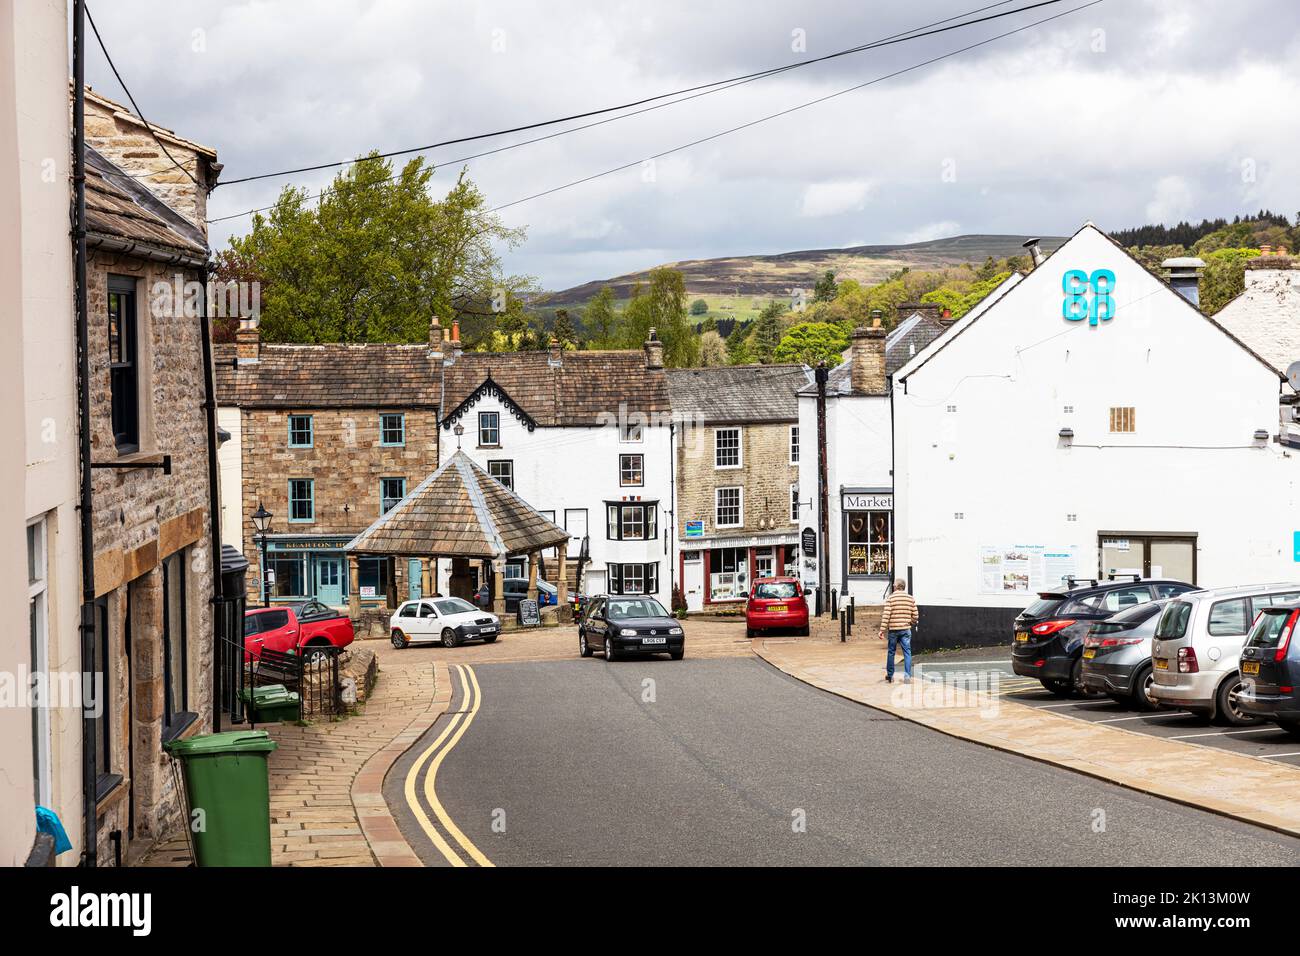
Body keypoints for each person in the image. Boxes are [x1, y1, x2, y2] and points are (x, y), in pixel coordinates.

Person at [878, 579, 919, 683]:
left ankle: (890, 675)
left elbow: (886, 615)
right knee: (907, 652)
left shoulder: (890, 598)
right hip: (906, 629)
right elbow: (915, 615)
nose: (893, 586)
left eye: (894, 585)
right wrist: (911, 623)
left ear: (896, 587)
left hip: (893, 630)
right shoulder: (910, 598)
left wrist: (882, 630)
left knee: (891, 652)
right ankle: (907, 676)